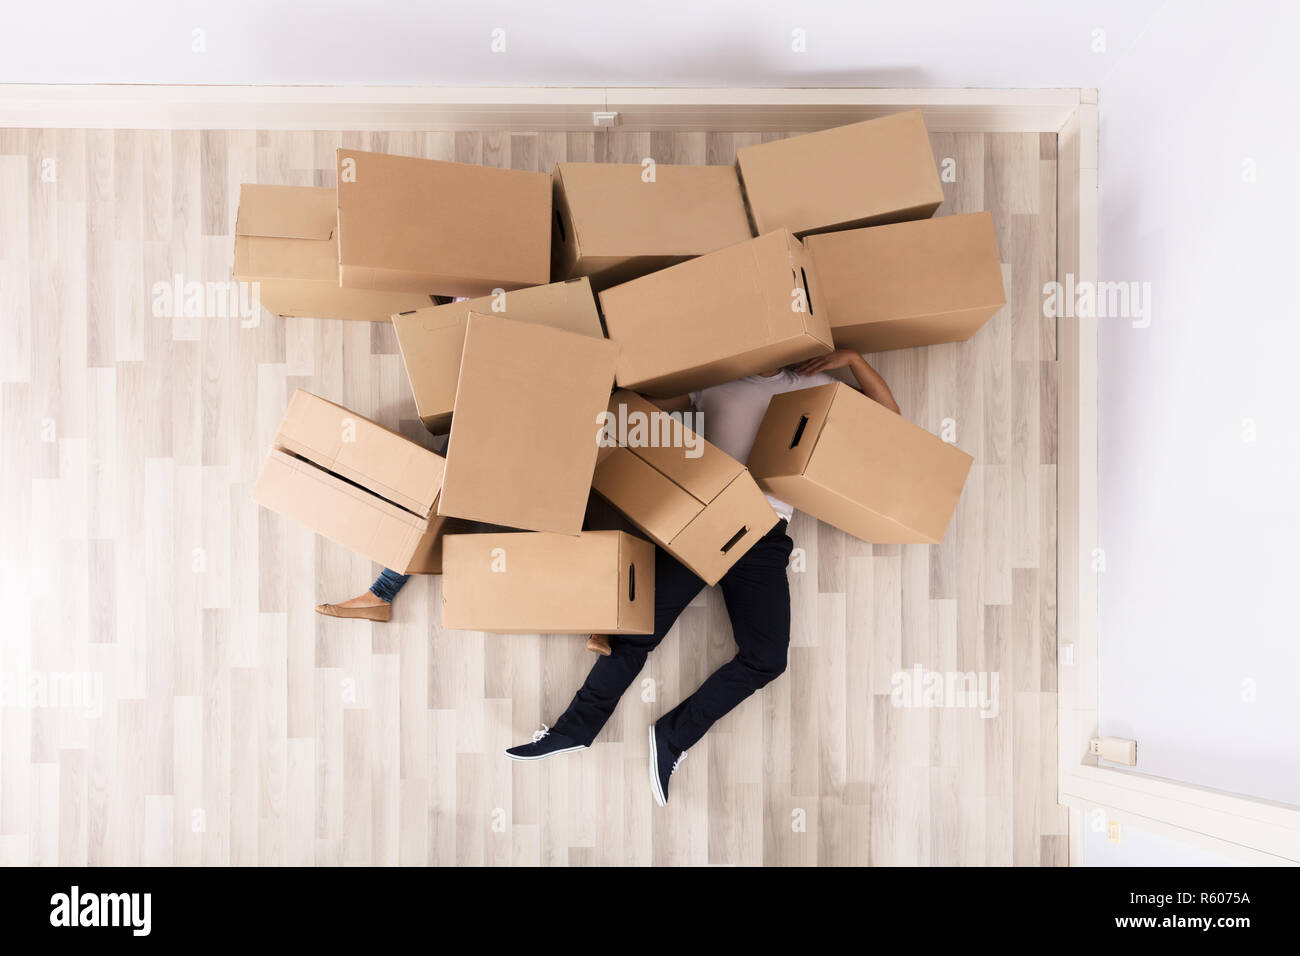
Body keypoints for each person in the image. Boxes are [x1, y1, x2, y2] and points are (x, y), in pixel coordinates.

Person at [506, 349, 900, 807]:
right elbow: (637, 414)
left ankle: (673, 735)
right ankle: (572, 730)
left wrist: (852, 360)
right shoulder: (714, 378)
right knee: (635, 632)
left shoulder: (812, 388)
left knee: (766, 659)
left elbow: (889, 419)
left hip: (765, 534)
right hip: (703, 523)